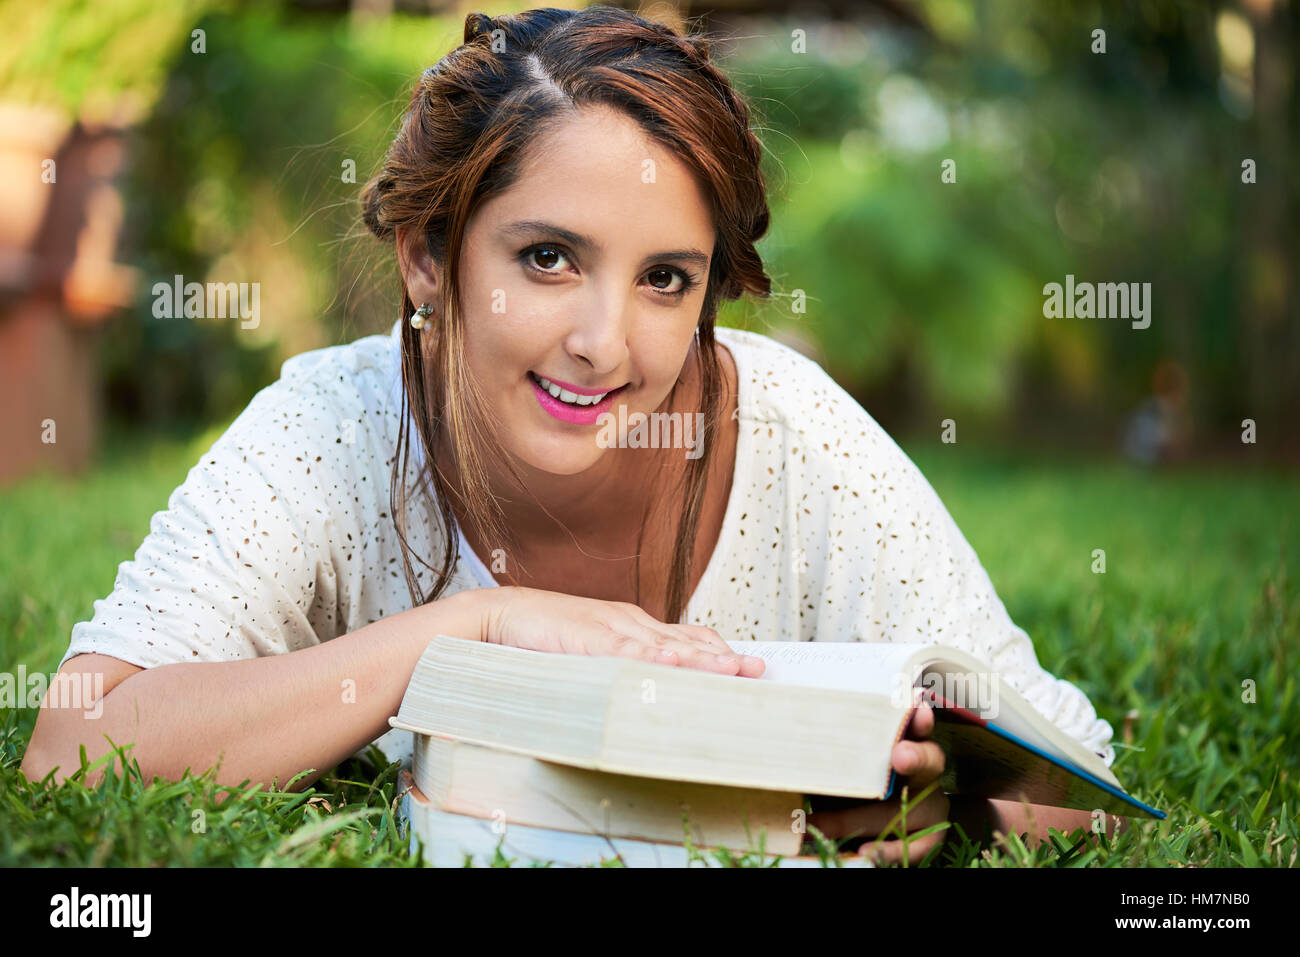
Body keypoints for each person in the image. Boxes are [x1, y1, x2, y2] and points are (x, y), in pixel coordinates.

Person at [23, 6, 1120, 864]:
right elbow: (76, 750)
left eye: (664, 280)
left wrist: (936, 813)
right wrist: (474, 629)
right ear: (426, 257)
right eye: (547, 258)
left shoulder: (795, 439)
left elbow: (1078, 784)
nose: (603, 342)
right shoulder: (330, 428)